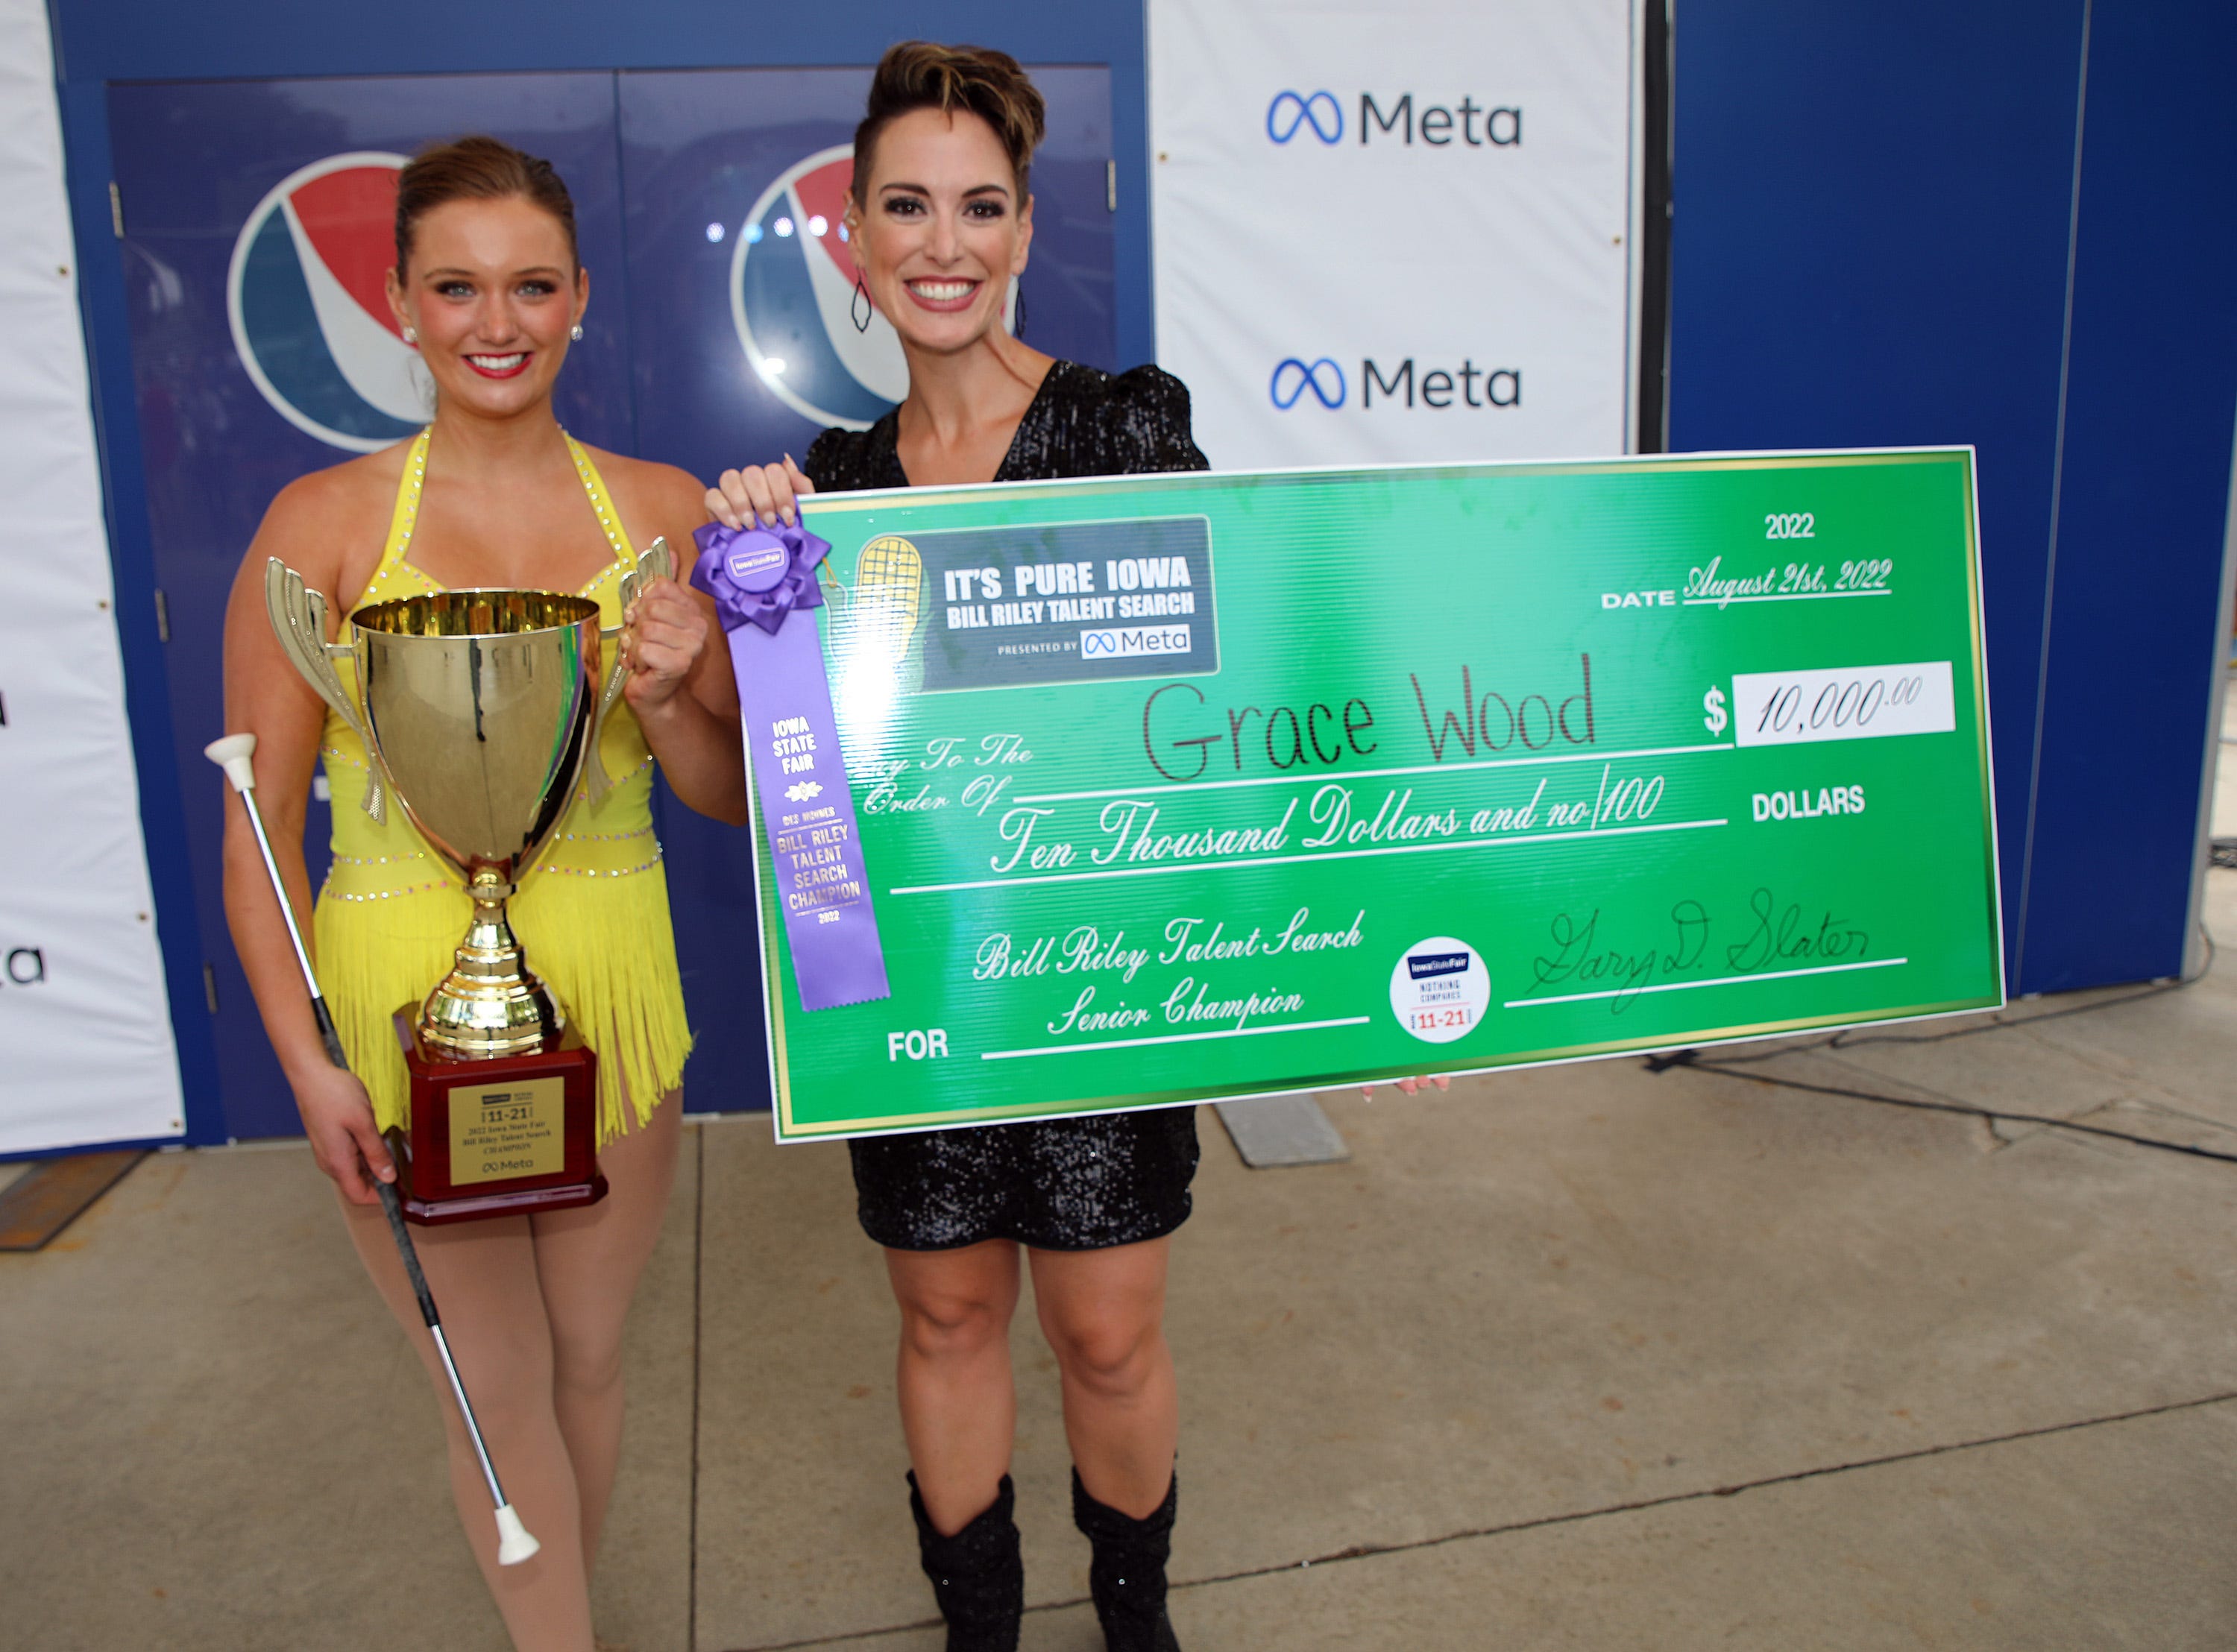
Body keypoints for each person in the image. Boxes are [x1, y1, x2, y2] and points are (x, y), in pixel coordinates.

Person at [709, 42, 1205, 1652]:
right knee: (943, 1309)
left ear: (1023, 226)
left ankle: (1134, 1622)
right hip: (924, 990)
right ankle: (978, 1630)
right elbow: (786, 800)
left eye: (978, 206)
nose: (943, 242)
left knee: (1109, 1334)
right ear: (851, 232)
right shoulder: (827, 495)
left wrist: (1358, 951)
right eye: (907, 205)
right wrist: (719, 626)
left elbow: (1236, 706)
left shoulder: (1128, 428)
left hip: (1105, 980)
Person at [219, 136, 744, 1651]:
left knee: (587, 1358)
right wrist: (305, 1059)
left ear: (580, 297)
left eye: (528, 284)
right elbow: (255, 827)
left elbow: (715, 791)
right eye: (455, 286)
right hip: (400, 1013)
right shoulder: (317, 527)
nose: (493, 320)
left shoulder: (662, 509)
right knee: (494, 1377)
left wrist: (690, 683)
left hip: (611, 984)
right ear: (396, 301)